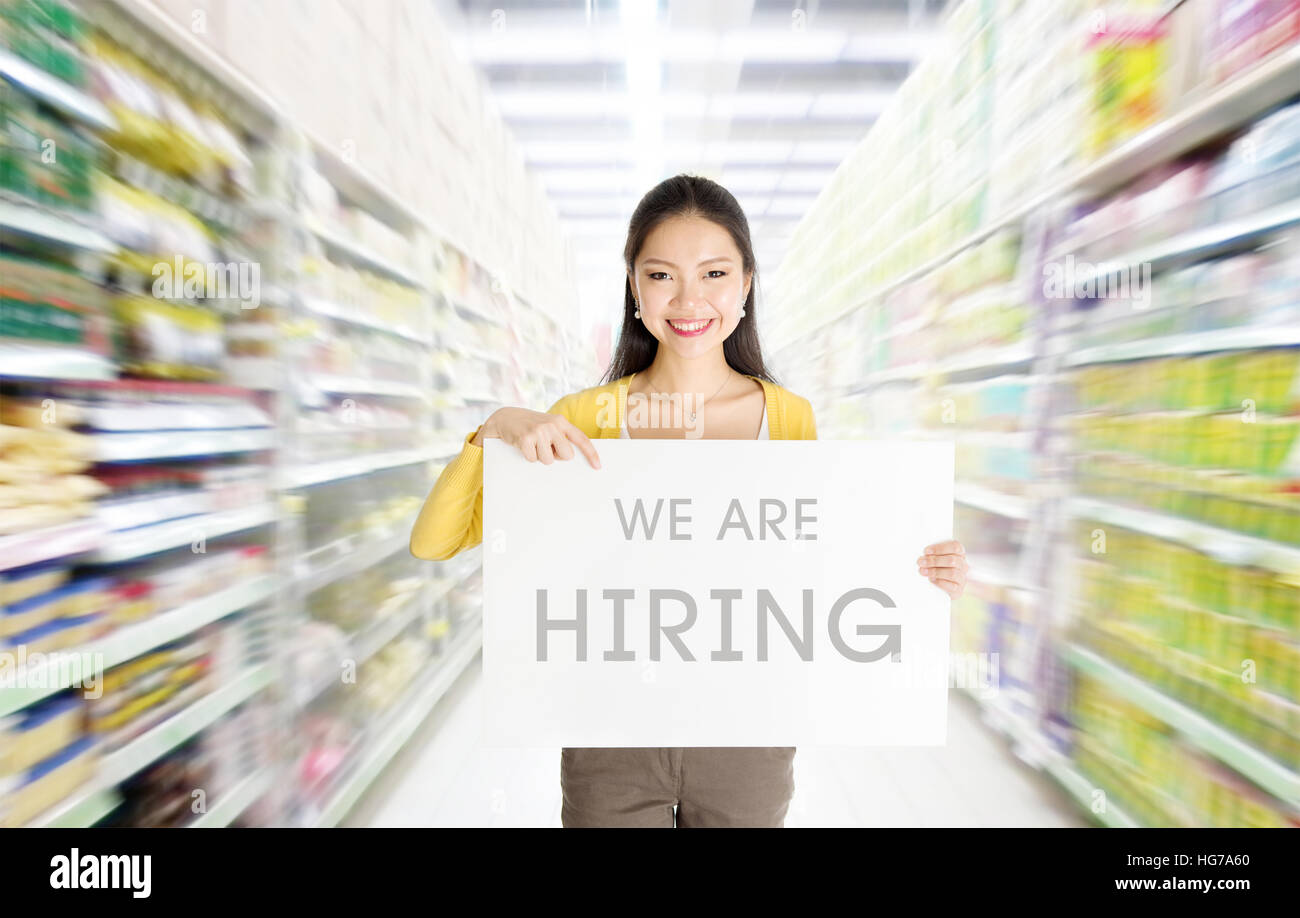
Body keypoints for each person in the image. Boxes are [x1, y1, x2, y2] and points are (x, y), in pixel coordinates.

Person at [410, 173, 968, 827]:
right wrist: (493, 430)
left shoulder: (787, 417)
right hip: (611, 738)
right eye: (661, 275)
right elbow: (434, 542)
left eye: (713, 273)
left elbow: (814, 564)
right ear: (633, 286)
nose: (688, 299)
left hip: (747, 738)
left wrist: (918, 571)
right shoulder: (582, 418)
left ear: (746, 285)